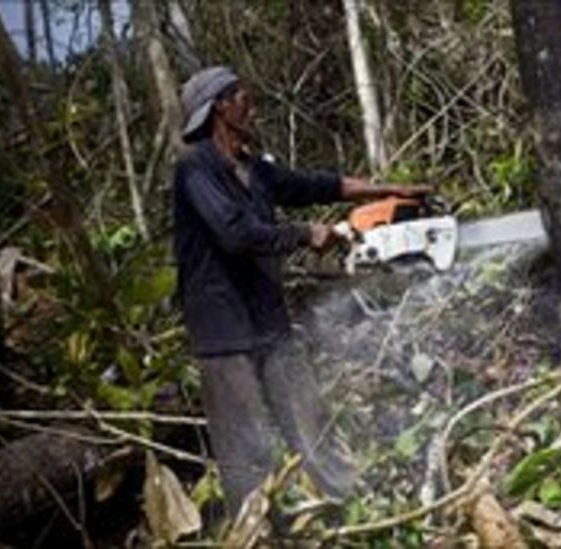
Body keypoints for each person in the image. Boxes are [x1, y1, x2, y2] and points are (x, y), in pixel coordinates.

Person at [172, 66, 429, 517]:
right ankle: (255, 531)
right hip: (223, 331)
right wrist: (306, 234)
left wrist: (389, 189)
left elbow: (316, 185)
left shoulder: (256, 169)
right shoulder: (195, 169)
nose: (249, 104)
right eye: (240, 97)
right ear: (219, 108)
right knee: (246, 445)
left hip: (268, 320)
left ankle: (352, 507)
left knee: (311, 421)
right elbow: (236, 233)